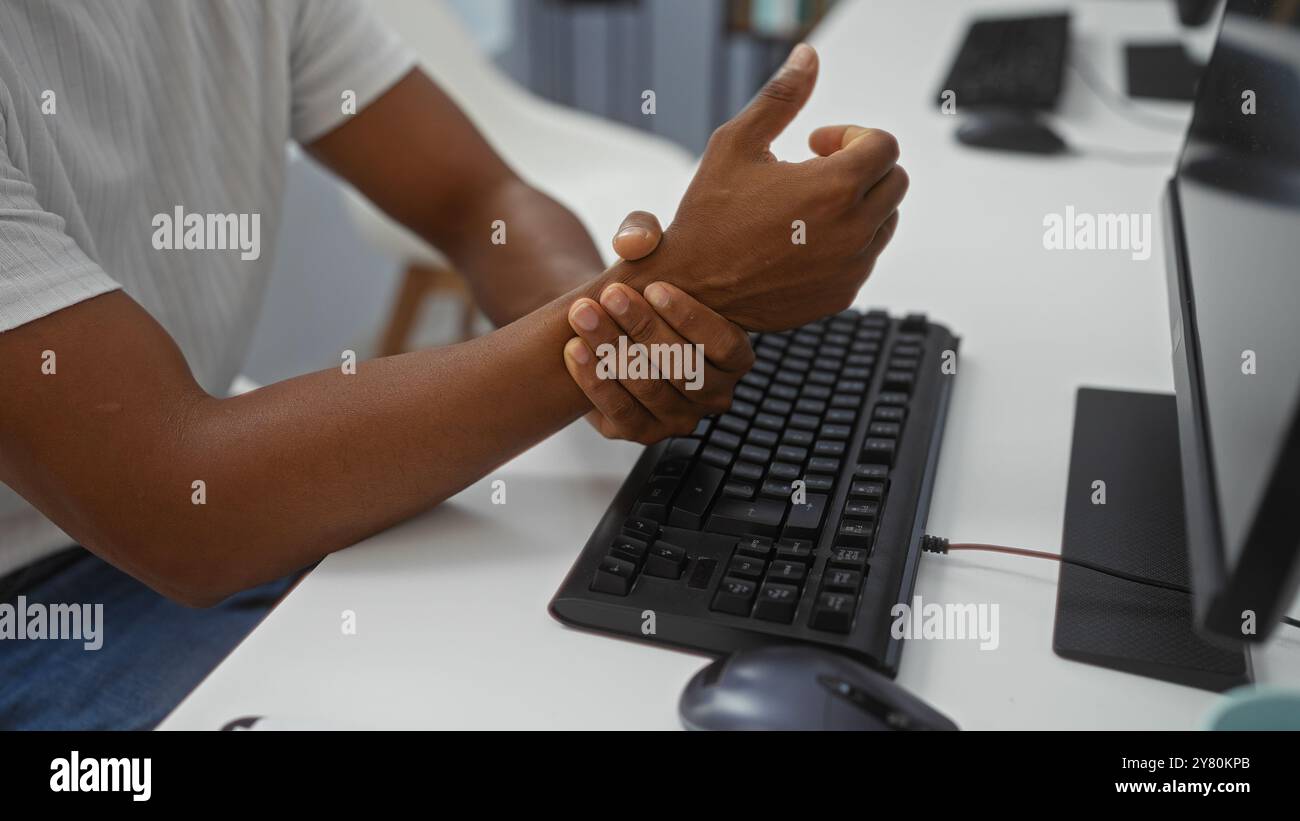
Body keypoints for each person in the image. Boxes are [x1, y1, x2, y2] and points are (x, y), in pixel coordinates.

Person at [0, 1, 906, 729]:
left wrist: (618, 327)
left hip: (209, 519)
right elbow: (176, 501)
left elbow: (481, 199)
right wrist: (671, 290)